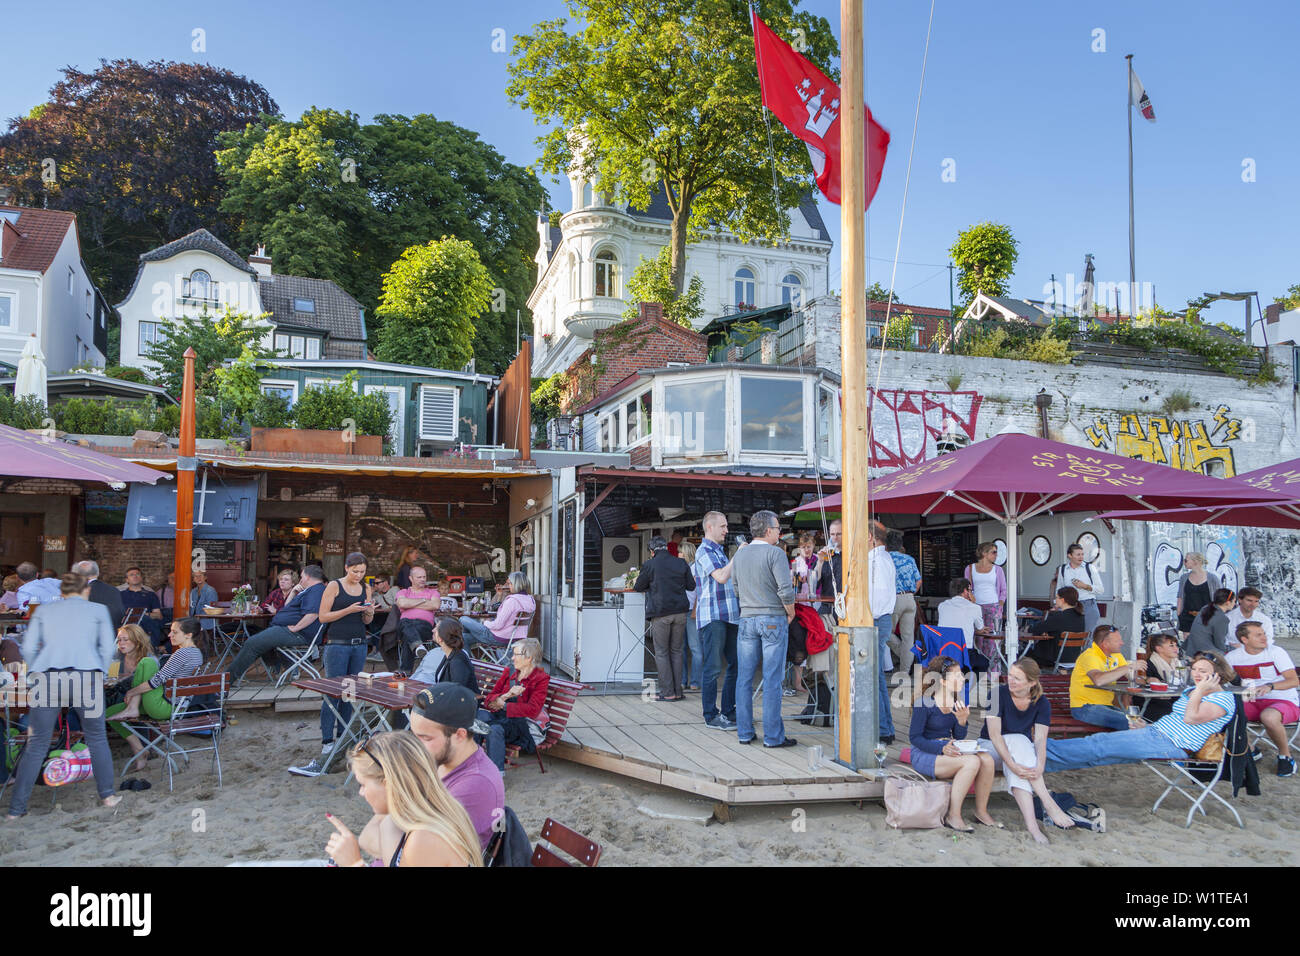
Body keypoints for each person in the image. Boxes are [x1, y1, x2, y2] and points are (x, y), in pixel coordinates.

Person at [5, 572, 121, 819]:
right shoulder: (97, 610)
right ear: (86, 591)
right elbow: (108, 647)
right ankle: (108, 796)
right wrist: (99, 670)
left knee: (36, 743)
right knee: (97, 737)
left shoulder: (45, 611)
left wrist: (35, 672)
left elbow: (27, 646)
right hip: (85, 677)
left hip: (48, 677)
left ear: (61, 592)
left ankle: (16, 810)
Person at [1045, 652, 1237, 771]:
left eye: (1203, 671)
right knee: (1097, 756)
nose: (1196, 674)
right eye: (1195, 669)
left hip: (1171, 744)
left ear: (1218, 674)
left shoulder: (1222, 699)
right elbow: (1177, 719)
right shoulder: (1192, 691)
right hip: (1156, 733)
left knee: (1098, 744)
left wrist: (1200, 691)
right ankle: (1034, 767)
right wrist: (1147, 725)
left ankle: (1038, 749)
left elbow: (1190, 717)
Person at [324, 731, 482, 867]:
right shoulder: (435, 814)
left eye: (363, 784)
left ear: (389, 784)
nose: (361, 792)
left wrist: (354, 863)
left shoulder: (425, 837)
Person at [290, 553, 374, 777]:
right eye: (355, 571)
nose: (358, 575)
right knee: (332, 693)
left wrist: (368, 612)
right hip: (337, 644)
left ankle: (344, 739)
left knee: (350, 693)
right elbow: (323, 617)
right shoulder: (335, 586)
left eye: (362, 572)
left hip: (359, 644)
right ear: (346, 567)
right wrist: (348, 610)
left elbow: (366, 621)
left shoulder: (366, 589)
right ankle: (328, 740)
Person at [977, 659, 1077, 842]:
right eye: (1011, 675)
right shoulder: (996, 694)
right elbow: (994, 735)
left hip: (1020, 754)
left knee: (1022, 750)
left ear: (1032, 682)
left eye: (1017, 678)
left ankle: (1032, 827)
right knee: (1020, 740)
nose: (1011, 681)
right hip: (989, 749)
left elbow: (1040, 739)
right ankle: (1048, 802)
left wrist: (1039, 765)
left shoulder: (1042, 703)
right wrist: (1011, 764)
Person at [409, 683, 505, 849]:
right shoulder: (443, 760)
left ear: (460, 734)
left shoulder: (475, 784)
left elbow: (425, 850)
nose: (416, 747)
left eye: (425, 738)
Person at [907, 656, 994, 832]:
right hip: (925, 753)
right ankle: (953, 815)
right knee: (972, 762)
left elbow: (959, 737)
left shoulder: (956, 702)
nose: (963, 679)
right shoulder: (924, 703)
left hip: (948, 749)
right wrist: (941, 748)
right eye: (958, 676)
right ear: (944, 682)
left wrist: (962, 722)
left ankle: (981, 811)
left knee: (987, 759)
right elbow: (914, 738)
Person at [732, 510, 797, 748]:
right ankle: (772, 736)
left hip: (747, 618)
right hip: (772, 618)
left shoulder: (739, 555)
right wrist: (791, 611)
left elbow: (736, 589)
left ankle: (744, 732)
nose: (780, 533)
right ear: (768, 530)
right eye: (778, 528)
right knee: (772, 679)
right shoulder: (775, 553)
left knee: (744, 679)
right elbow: (785, 589)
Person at [108, 618, 205, 770]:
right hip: (175, 705)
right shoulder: (196, 653)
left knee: (147, 662)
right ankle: (140, 751)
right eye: (170, 631)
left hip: (165, 706)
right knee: (111, 713)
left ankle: (132, 707)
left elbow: (156, 681)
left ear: (188, 635)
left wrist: (131, 691)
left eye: (175, 632)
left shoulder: (182, 653)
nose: (169, 636)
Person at [228, 566, 327, 683]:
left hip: (298, 634)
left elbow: (313, 614)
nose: (300, 580)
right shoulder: (308, 590)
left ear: (308, 577)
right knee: (257, 637)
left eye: (302, 577)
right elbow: (287, 608)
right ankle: (277, 667)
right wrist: (293, 592)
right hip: (287, 629)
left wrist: (296, 628)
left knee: (252, 643)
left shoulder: (316, 590)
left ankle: (225, 681)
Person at [1227, 621, 1298, 777]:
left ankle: (1285, 756)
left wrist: (1270, 686)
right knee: (1221, 712)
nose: (1264, 637)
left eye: (1263, 633)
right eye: (1258, 635)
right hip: (1251, 699)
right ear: (1244, 640)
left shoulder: (1276, 652)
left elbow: (1294, 681)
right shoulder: (1232, 657)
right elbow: (1223, 679)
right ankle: (1251, 750)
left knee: (1269, 716)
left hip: (1282, 699)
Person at [695, 511, 741, 732]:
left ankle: (728, 711)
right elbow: (721, 577)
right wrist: (738, 555)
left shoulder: (719, 551)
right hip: (713, 616)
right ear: (709, 528)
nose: (726, 530)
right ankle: (710, 715)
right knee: (713, 668)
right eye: (722, 526)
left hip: (730, 615)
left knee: (736, 663)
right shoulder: (704, 550)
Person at [635, 535, 695, 702]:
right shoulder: (681, 563)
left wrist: (653, 585)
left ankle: (667, 692)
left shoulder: (649, 565)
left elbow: (638, 586)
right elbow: (691, 585)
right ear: (667, 548)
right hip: (680, 614)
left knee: (661, 653)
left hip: (661, 614)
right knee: (676, 651)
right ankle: (678, 691)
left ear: (652, 551)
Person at [477, 638, 550, 771]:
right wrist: (506, 696)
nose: (512, 658)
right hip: (499, 716)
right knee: (476, 718)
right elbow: (489, 699)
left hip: (518, 725)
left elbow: (533, 710)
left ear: (529, 658)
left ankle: (496, 774)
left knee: (494, 729)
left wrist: (504, 706)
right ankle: (473, 765)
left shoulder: (540, 678)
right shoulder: (510, 671)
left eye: (516, 654)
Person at [1070, 625, 1144, 731]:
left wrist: (1146, 679)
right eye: (1118, 640)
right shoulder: (1090, 656)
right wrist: (1129, 667)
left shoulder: (1116, 655)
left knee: (1140, 720)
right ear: (1105, 644)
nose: (1122, 643)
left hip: (1106, 706)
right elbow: (1098, 680)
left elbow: (1133, 678)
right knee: (1132, 722)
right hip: (1084, 707)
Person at [867, 520, 898, 743]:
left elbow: (876, 601)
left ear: (869, 537)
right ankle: (884, 727)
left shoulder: (879, 561)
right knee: (874, 676)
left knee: (873, 676)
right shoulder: (878, 559)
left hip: (875, 620)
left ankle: (883, 728)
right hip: (876, 619)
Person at [458, 571, 536, 652]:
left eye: (510, 584)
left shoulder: (512, 601)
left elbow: (498, 625)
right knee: (463, 637)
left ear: (516, 584)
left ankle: (467, 661)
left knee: (463, 619)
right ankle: (469, 661)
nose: (508, 586)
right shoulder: (531, 600)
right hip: (515, 638)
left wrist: (485, 622)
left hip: (497, 638)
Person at [964, 542, 1007, 676]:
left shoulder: (997, 569)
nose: (996, 555)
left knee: (993, 640)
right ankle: (979, 670)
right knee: (977, 638)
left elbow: (1003, 589)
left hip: (993, 605)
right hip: (975, 606)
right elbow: (966, 587)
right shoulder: (970, 568)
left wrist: (1000, 604)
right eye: (993, 552)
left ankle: (993, 672)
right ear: (984, 553)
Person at [1024, 586, 1086, 669]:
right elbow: (1061, 629)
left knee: (1024, 655)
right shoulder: (1081, 617)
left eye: (1056, 597)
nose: (1055, 600)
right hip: (1074, 658)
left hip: (1056, 657)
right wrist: (1048, 631)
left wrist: (1028, 628)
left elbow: (1036, 628)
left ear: (1063, 600)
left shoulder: (1059, 616)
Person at [393, 565, 440, 672]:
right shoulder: (403, 592)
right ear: (411, 578)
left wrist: (410, 604)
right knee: (406, 623)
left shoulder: (433, 592)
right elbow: (402, 603)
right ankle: (418, 646)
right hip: (404, 624)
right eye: (419, 577)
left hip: (425, 627)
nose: (423, 579)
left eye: (424, 577)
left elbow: (435, 605)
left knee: (408, 636)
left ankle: (405, 671)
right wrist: (424, 600)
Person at [887, 530, 921, 676]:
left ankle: (903, 654)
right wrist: (911, 593)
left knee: (885, 632)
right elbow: (918, 580)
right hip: (910, 599)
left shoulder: (886, 559)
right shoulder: (909, 559)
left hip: (894, 599)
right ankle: (905, 671)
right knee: (908, 637)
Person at [1054, 543, 1103, 637]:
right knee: (1068, 636)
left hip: (1088, 605)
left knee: (1086, 637)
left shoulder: (1090, 568)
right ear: (1070, 555)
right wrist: (1057, 604)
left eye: (1082, 554)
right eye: (1078, 554)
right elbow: (1059, 590)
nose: (1081, 557)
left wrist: (1085, 586)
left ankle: (1085, 652)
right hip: (1070, 606)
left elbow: (1100, 589)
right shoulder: (1063, 569)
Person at [936, 577, 990, 653]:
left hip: (944, 652)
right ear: (965, 591)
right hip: (964, 654)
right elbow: (980, 628)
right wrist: (973, 603)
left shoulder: (942, 606)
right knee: (985, 662)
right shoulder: (974, 608)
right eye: (971, 591)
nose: (972, 593)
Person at [428, 617, 479, 695]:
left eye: (436, 628)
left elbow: (458, 691)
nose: (433, 630)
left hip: (463, 705)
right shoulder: (450, 655)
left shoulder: (458, 662)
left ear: (442, 637)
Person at [678, 541, 703, 692]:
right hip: (682, 610)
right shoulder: (684, 568)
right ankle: (682, 681)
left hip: (691, 612)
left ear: (686, 553)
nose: (678, 555)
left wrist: (695, 610)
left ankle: (694, 681)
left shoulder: (696, 568)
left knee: (695, 648)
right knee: (680, 648)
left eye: (680, 552)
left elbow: (700, 592)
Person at [1175, 552, 1219, 638]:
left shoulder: (1212, 578)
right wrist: (1179, 614)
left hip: (1207, 617)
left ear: (1195, 562)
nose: (1184, 562)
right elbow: (1180, 597)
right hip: (1188, 616)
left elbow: (1220, 598)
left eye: (1186, 560)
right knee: (1189, 645)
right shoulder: (1184, 578)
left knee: (1206, 644)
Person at [1141, 632, 1182, 721]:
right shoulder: (1148, 665)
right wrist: (1148, 679)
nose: (1176, 648)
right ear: (1159, 648)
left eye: (1176, 645)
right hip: (1153, 704)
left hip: (1173, 699)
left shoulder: (1177, 663)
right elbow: (1141, 682)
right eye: (1171, 646)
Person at [120, 566, 165, 646]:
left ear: (141, 578)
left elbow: (159, 615)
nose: (135, 576)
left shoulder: (151, 595)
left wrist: (142, 615)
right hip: (127, 629)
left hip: (145, 629)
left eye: (138, 574)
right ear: (127, 580)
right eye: (131, 575)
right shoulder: (120, 595)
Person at [73, 560, 123, 630]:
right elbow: (120, 614)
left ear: (79, 575)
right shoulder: (113, 590)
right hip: (112, 634)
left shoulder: (79, 592)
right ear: (97, 573)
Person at [1186, 588, 1235, 657]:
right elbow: (1219, 644)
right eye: (1234, 601)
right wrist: (1231, 648)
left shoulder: (1206, 608)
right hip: (1206, 653)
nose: (1235, 604)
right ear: (1228, 603)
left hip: (1191, 649)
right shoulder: (1221, 618)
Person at [815, 519, 843, 617]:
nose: (835, 538)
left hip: (844, 608)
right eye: (832, 534)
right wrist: (820, 562)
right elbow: (815, 584)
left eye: (839, 534)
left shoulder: (850, 556)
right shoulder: (825, 554)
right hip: (826, 608)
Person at [183, 570, 219, 641]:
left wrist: (196, 619)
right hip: (195, 620)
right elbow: (191, 607)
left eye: (200, 576)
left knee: (187, 630)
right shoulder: (193, 591)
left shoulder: (210, 591)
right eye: (195, 576)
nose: (198, 578)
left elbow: (210, 609)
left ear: (205, 577)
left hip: (207, 620)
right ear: (193, 579)